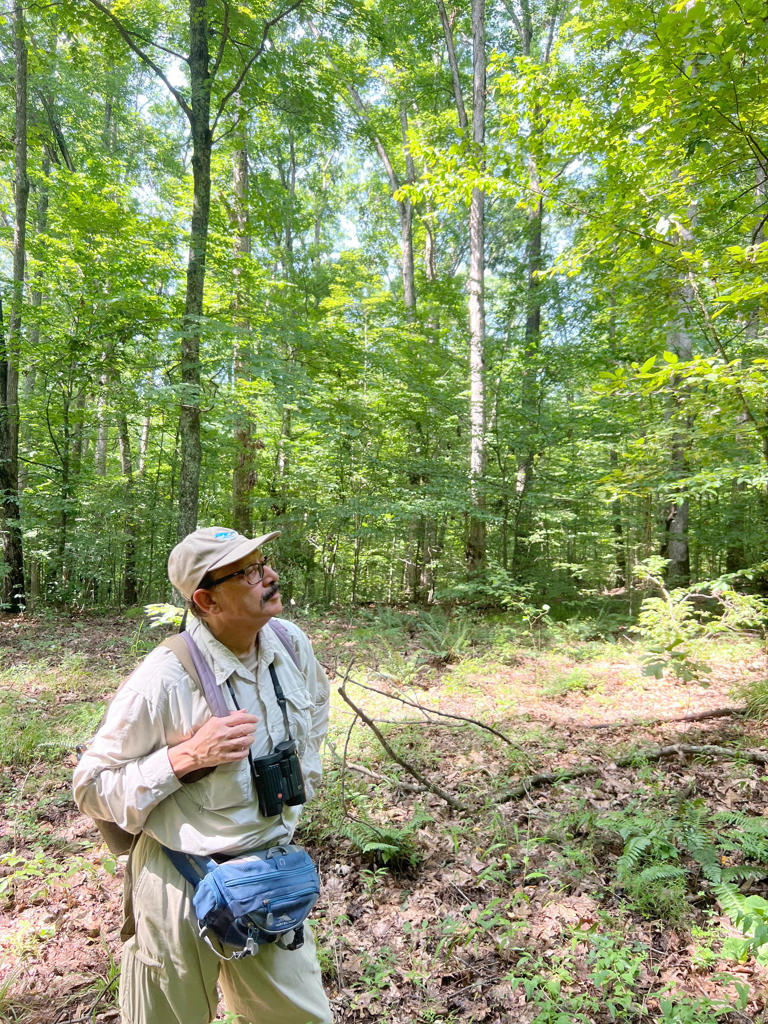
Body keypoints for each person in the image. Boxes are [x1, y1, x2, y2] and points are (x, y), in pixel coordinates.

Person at [73, 526, 332, 1024]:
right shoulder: (164, 677)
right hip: (179, 879)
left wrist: (302, 783)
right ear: (206, 599)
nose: (270, 577)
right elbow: (90, 787)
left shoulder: (290, 645)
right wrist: (185, 757)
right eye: (251, 572)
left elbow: (316, 713)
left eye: (264, 562)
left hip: (269, 878)